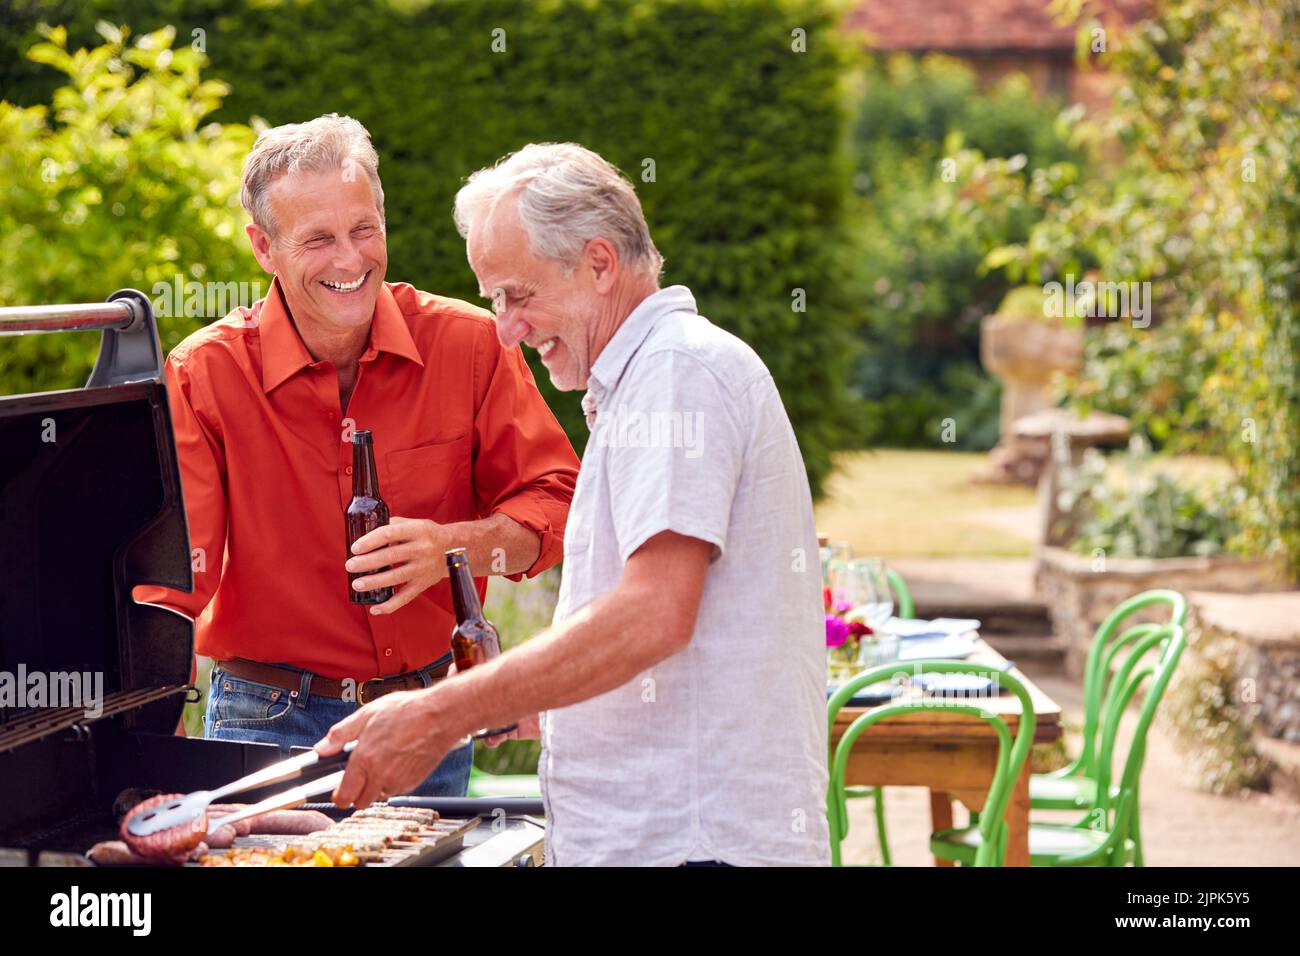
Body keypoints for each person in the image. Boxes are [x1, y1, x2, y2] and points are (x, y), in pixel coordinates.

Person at [318, 143, 829, 864]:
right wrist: (539, 695)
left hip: (690, 845)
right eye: (494, 299)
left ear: (598, 263)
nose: (505, 329)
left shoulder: (675, 373)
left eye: (518, 295)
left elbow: (654, 613)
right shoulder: (654, 374)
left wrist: (438, 713)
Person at [135, 116, 579, 797]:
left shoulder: (470, 346)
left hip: (428, 719)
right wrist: (145, 749)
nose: (350, 259)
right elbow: (170, 585)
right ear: (264, 247)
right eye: (317, 239)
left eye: (363, 229)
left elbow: (558, 500)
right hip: (263, 722)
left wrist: (453, 548)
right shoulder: (204, 374)